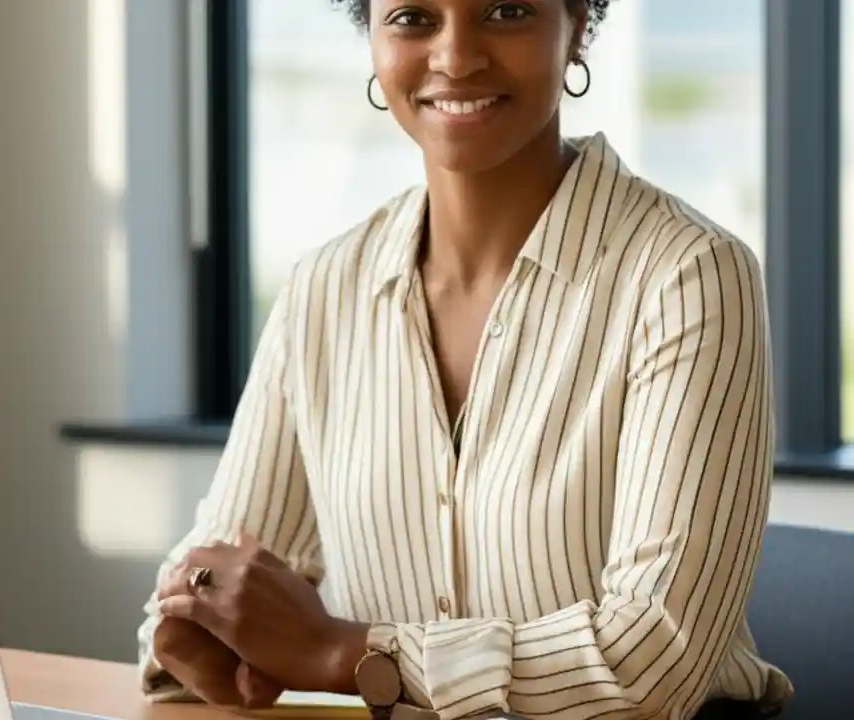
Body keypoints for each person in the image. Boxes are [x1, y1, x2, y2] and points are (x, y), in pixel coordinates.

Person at [138, 1, 793, 718]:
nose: (455, 56)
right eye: (414, 18)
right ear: (374, 40)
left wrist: (344, 652)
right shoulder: (324, 289)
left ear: (576, 24)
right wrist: (195, 630)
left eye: (506, 11)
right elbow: (206, 573)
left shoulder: (688, 274)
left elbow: (652, 660)